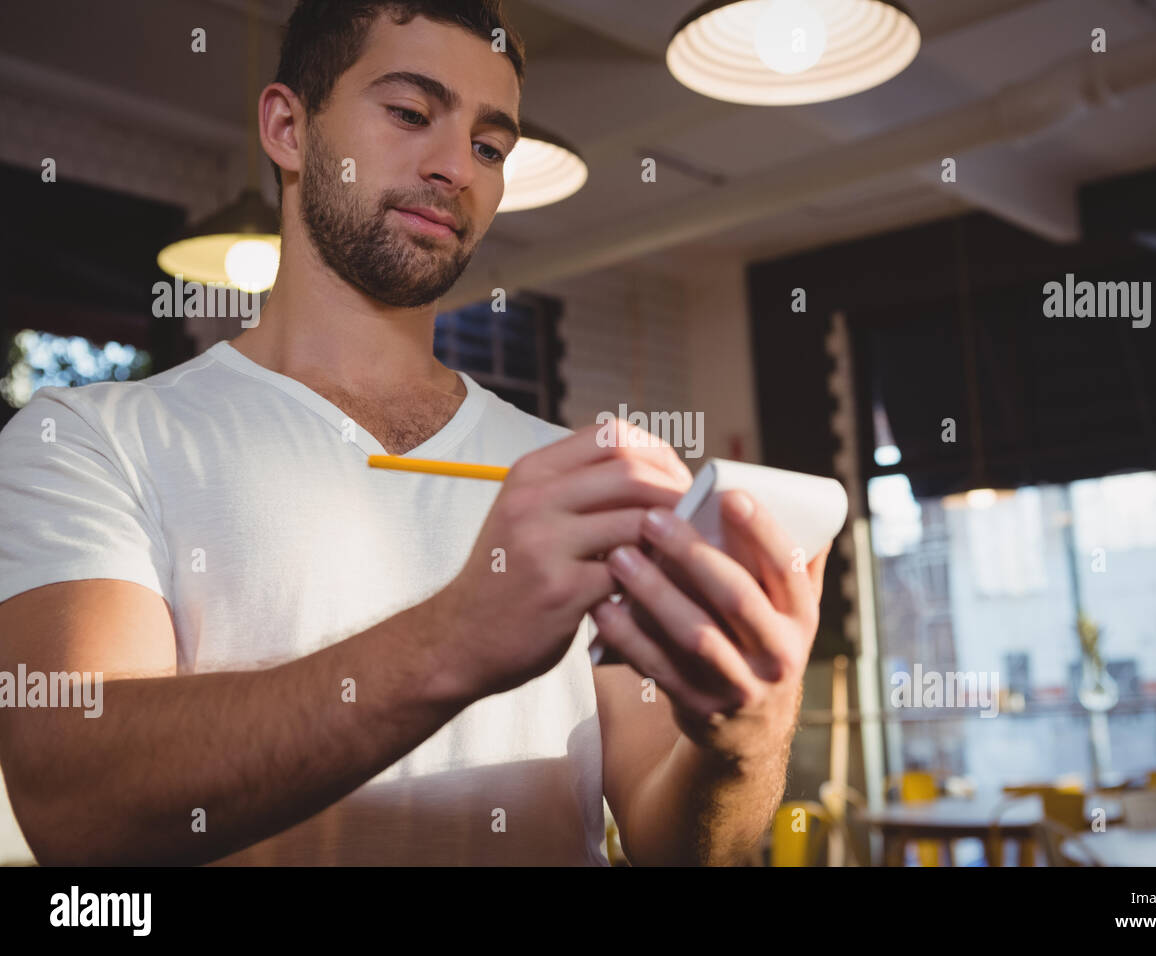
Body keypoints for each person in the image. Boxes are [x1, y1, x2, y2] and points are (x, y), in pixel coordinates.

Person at [0, 0, 828, 866]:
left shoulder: (571, 476)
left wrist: (741, 744)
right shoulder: (88, 439)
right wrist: (456, 641)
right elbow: (75, 798)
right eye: (408, 113)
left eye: (489, 146)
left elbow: (683, 846)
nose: (455, 169)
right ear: (288, 127)